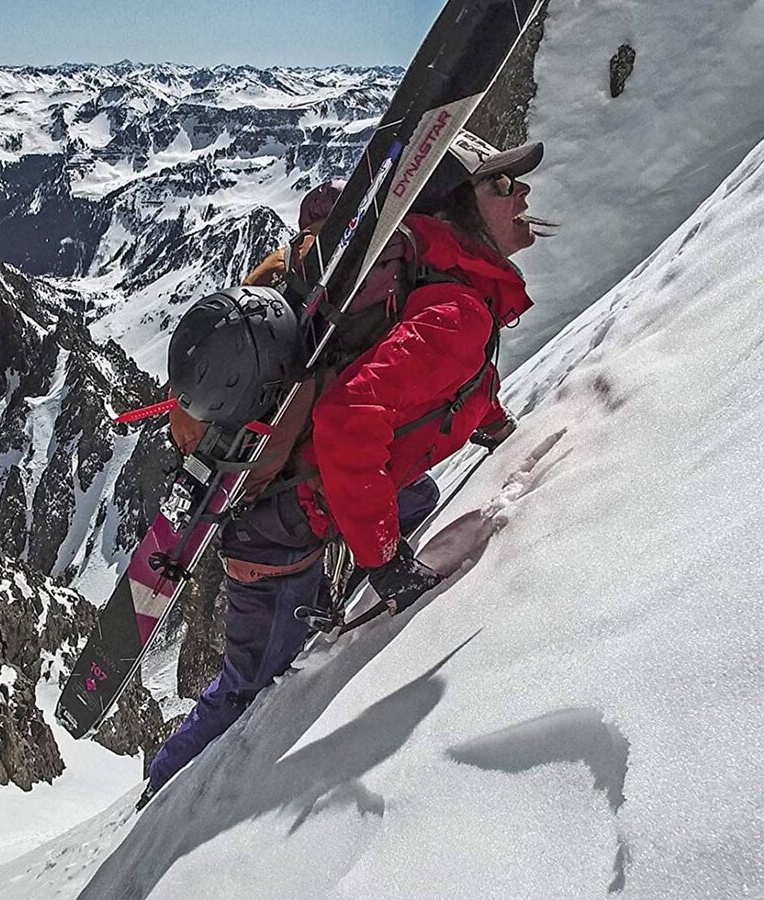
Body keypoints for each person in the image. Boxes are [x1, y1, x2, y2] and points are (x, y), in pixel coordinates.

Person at [140, 131, 548, 809]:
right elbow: (351, 414)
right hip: (277, 532)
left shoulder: (432, 273)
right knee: (246, 686)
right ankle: (158, 798)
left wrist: (491, 419)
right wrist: (384, 561)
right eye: (502, 185)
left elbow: (437, 381)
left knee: (416, 496)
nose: (522, 193)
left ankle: (342, 582)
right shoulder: (458, 306)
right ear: (460, 208)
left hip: (307, 492)